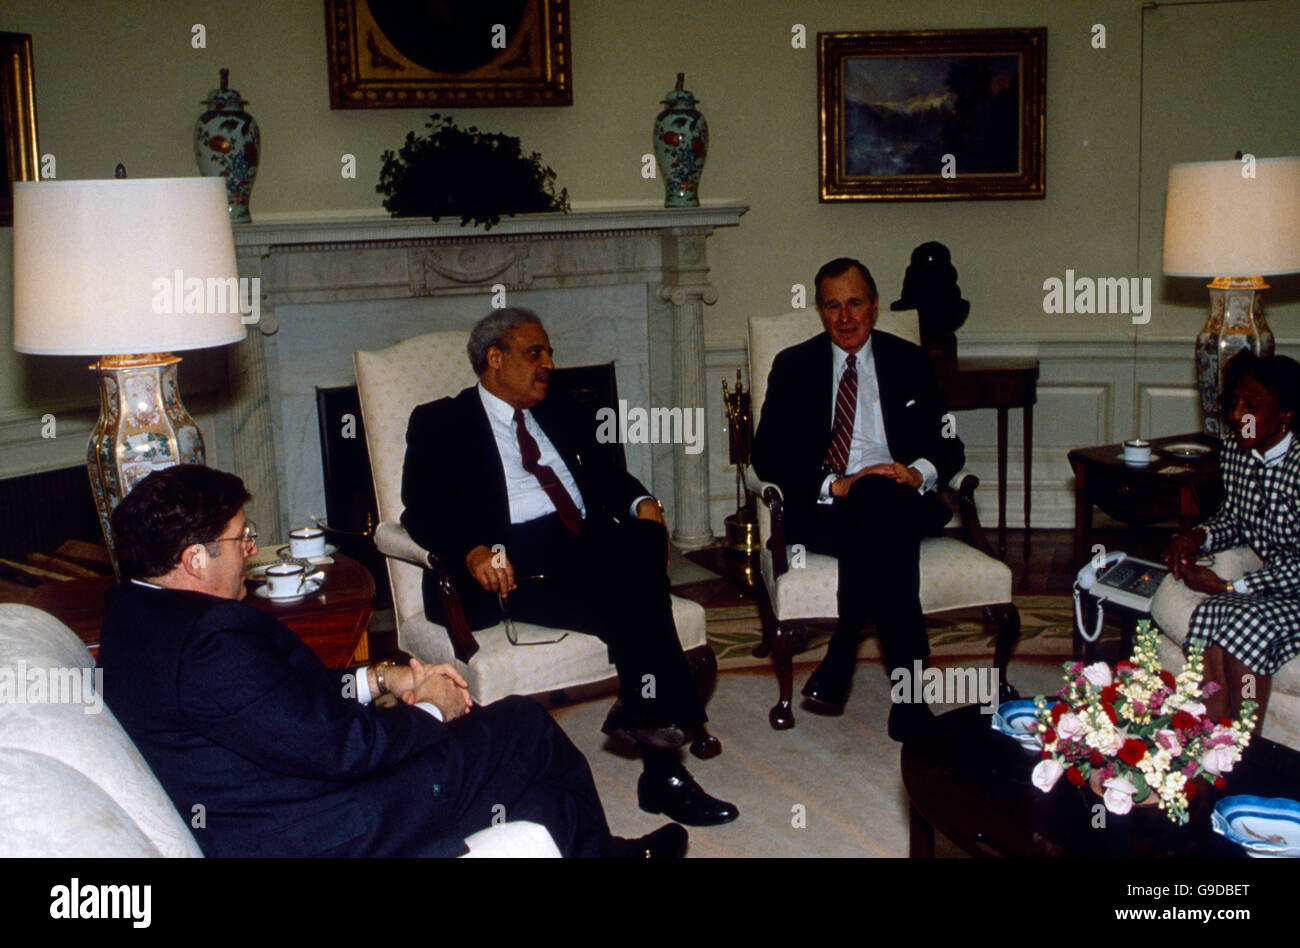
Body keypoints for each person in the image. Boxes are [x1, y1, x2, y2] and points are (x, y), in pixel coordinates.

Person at [97, 464, 687, 858]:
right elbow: (342, 749)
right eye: (241, 539)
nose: (251, 551)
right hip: (324, 827)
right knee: (522, 728)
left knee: (510, 759)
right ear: (196, 558)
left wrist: (381, 676)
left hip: (286, 795)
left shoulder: (133, 613)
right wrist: (429, 706)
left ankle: (596, 850)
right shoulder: (209, 642)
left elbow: (276, 707)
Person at [400, 308, 737, 826]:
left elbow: (609, 476)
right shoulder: (441, 421)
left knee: (642, 540)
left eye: (550, 352)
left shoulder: (561, 410)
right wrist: (469, 551)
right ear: (495, 359)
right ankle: (662, 768)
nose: (549, 364)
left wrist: (645, 502)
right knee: (636, 598)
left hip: (583, 540)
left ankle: (648, 719)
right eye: (535, 352)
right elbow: (418, 510)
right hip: (513, 557)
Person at [751, 257, 964, 741]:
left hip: (900, 498)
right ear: (820, 311)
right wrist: (832, 483)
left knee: (879, 497)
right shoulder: (793, 366)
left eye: (854, 303)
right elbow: (765, 455)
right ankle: (908, 700)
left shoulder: (908, 360)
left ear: (873, 306)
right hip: (827, 509)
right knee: (873, 507)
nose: (845, 318)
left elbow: (948, 443)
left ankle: (843, 648)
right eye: (832, 306)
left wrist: (916, 472)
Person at [1162, 351, 1300, 731]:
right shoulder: (1237, 451)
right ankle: (1215, 748)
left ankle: (1248, 750)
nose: (1238, 415)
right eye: (1234, 403)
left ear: (1285, 415)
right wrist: (1196, 537)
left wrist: (1229, 585)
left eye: (1252, 405)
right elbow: (1235, 519)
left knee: (1246, 626)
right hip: (1277, 588)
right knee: (1211, 613)